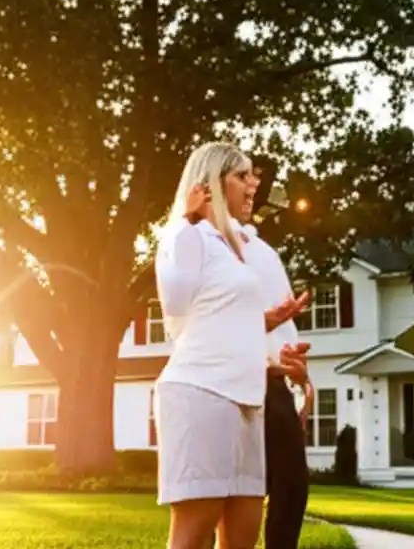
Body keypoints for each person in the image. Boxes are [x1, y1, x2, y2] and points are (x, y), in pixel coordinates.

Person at [153, 141, 306, 549]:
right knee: (194, 531)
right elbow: (176, 300)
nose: (253, 183)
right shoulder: (188, 236)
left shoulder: (232, 249)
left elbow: (220, 317)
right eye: (242, 175)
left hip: (247, 399)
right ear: (211, 184)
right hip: (202, 392)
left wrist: (270, 322)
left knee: (242, 535)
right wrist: (187, 220)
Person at [231, 164, 312, 549]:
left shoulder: (265, 253)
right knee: (234, 499)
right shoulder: (203, 245)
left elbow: (285, 322)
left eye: (256, 178)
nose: (254, 185)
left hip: (277, 386)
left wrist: (301, 382)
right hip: (231, 382)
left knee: (292, 486)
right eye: (245, 176)